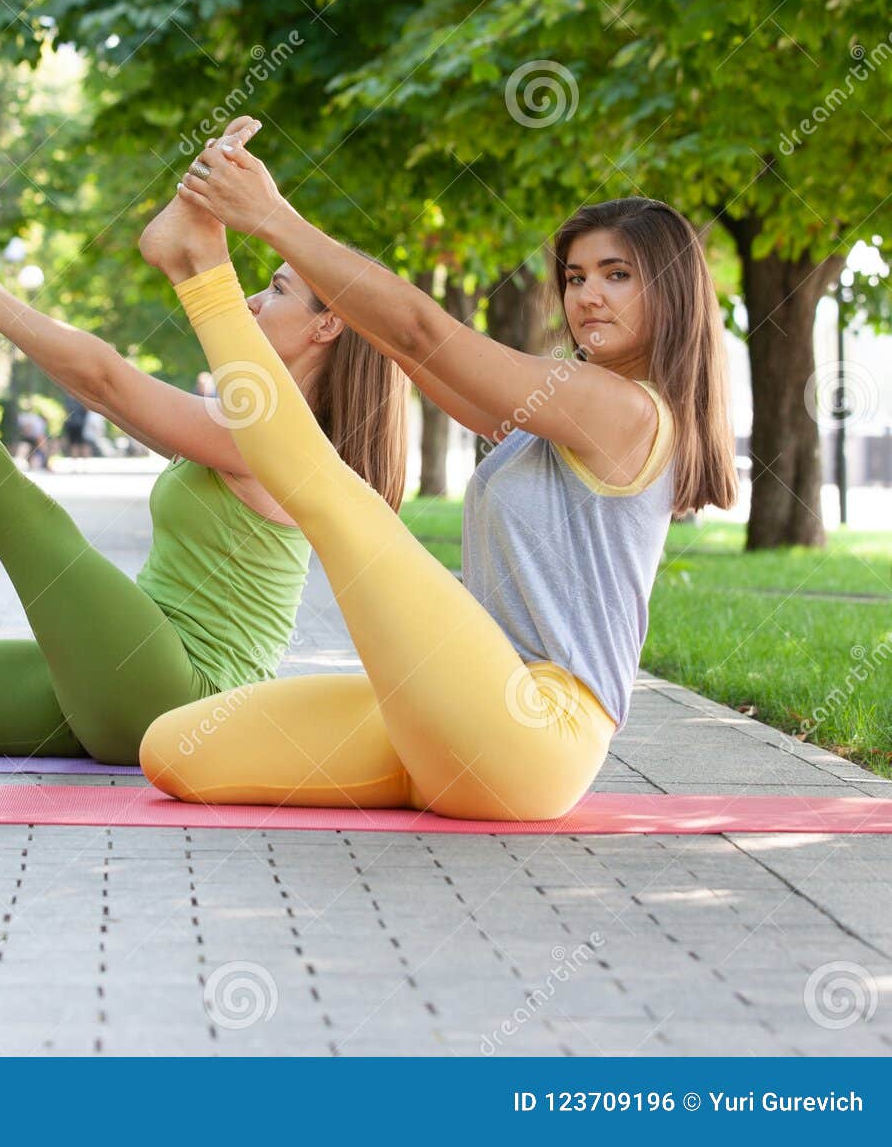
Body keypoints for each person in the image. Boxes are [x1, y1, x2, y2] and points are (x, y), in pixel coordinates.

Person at [138, 118, 737, 820]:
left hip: (535, 731)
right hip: (456, 723)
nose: (587, 296)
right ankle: (192, 260)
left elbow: (423, 331)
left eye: (617, 275)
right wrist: (327, 294)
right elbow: (411, 349)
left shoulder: (625, 409)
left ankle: (196, 270)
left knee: (334, 494)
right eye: (575, 277)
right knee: (175, 749)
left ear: (673, 291)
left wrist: (272, 218)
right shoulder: (554, 415)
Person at [0, 215, 408, 766]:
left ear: (327, 324)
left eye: (278, 290)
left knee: (25, 518)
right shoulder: (249, 423)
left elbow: (108, 377)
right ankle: (100, 711)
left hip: (190, 695)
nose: (254, 302)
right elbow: (105, 396)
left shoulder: (282, 434)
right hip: (136, 669)